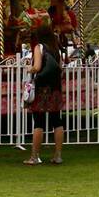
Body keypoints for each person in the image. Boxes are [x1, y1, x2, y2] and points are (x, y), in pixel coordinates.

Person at [23, 22, 65, 165]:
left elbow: (37, 66)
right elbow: (59, 67)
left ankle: (35, 156)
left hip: (42, 88)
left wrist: (30, 69)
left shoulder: (39, 47)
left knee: (39, 121)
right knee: (56, 120)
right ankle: (58, 155)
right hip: (55, 87)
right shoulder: (55, 49)